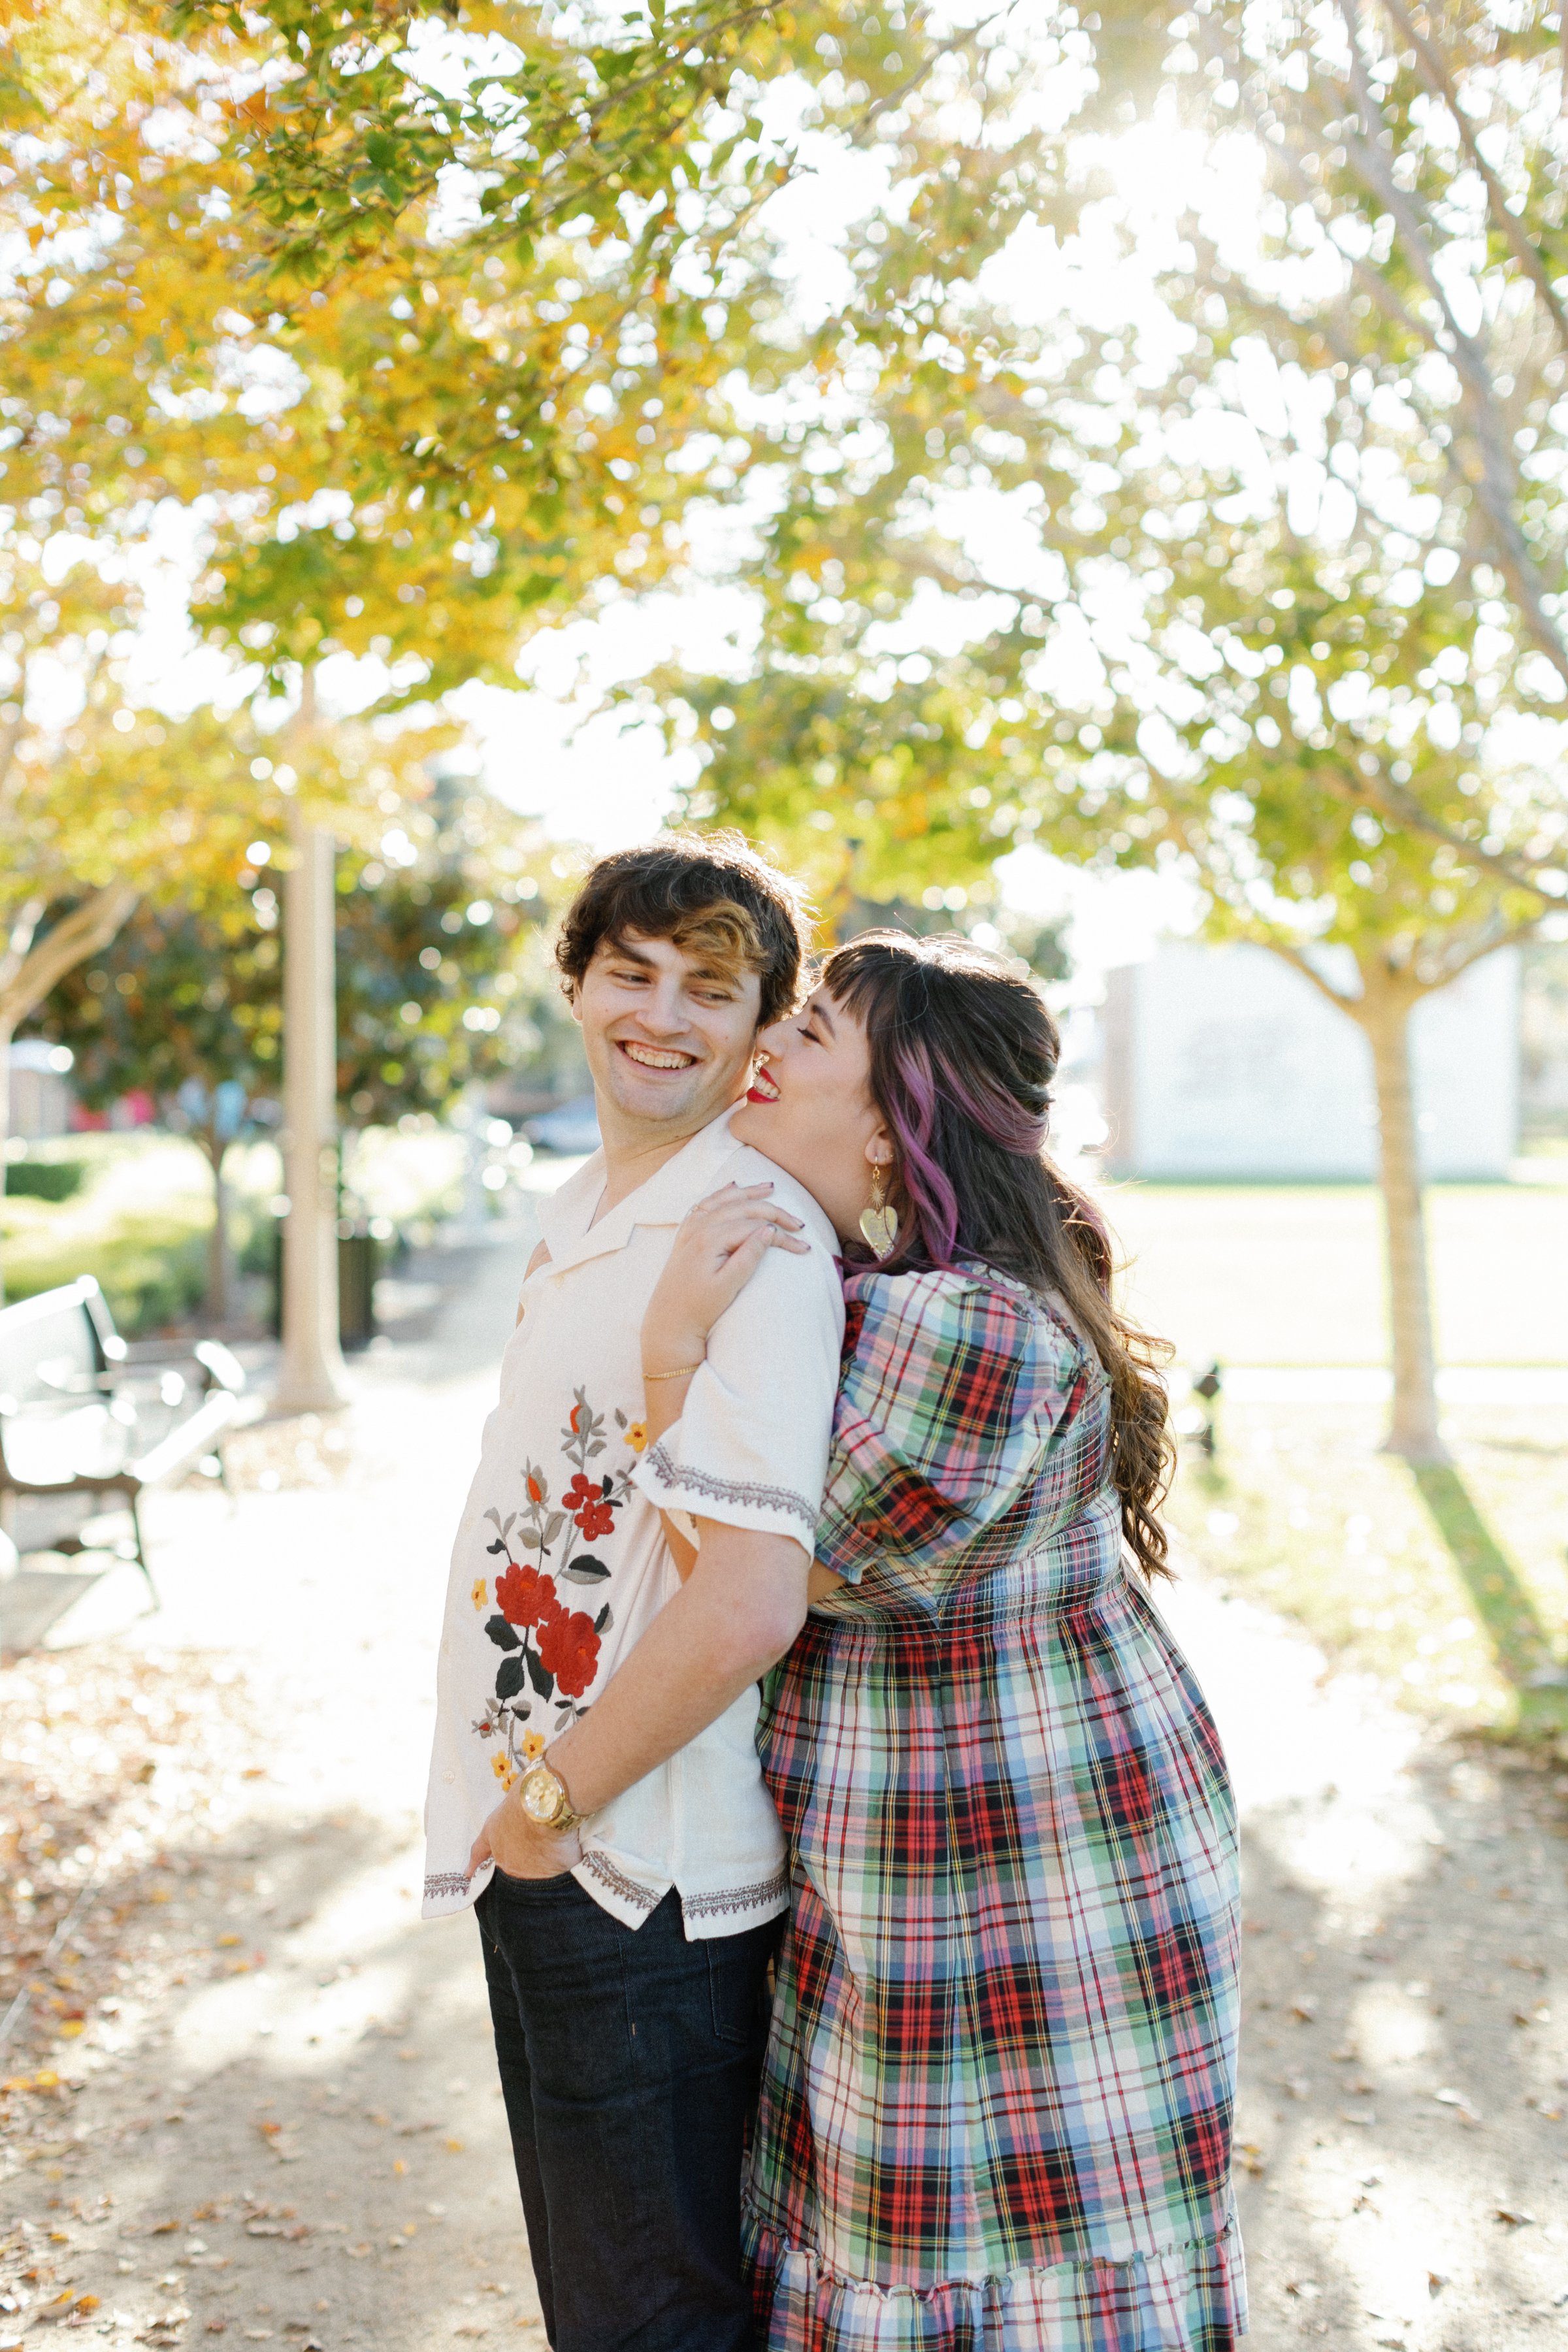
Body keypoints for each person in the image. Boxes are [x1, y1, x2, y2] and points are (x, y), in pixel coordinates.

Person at [638, 930, 1247, 2352]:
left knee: (983, 2252)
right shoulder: (871, 1301)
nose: (764, 1049)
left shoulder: (971, 1334)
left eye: (813, 1031)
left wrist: (672, 1358)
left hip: (1028, 1873)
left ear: (899, 1107)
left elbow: (763, 1572)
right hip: (918, 1850)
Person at [420, 834, 846, 2352]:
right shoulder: (586, 1202)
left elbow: (747, 1601)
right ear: (578, 984)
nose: (662, 1014)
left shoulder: (754, 1236)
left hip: (638, 1862)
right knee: (600, 2311)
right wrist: (519, 1818)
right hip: (547, 1837)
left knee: (648, 2323)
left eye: (712, 988)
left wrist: (545, 1808)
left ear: (759, 1029)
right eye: (632, 973)